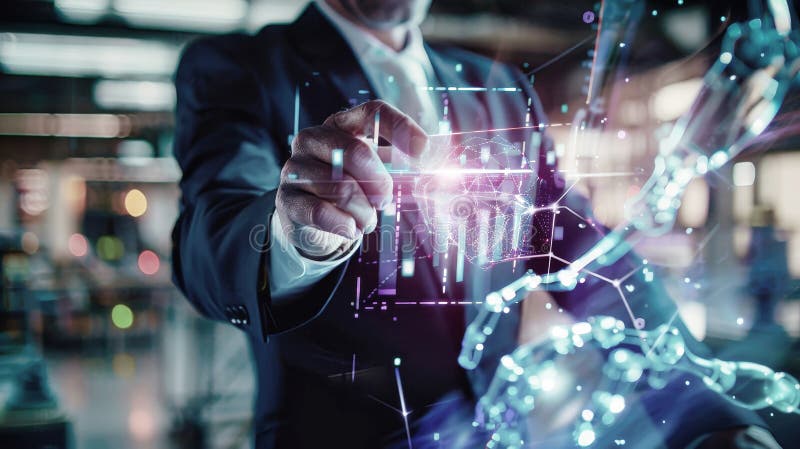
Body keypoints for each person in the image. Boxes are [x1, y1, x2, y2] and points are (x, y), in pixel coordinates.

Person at [171, 1, 783, 448]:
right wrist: (292, 236)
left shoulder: (498, 90)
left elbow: (597, 261)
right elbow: (211, 228)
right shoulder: (241, 66)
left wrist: (711, 411)